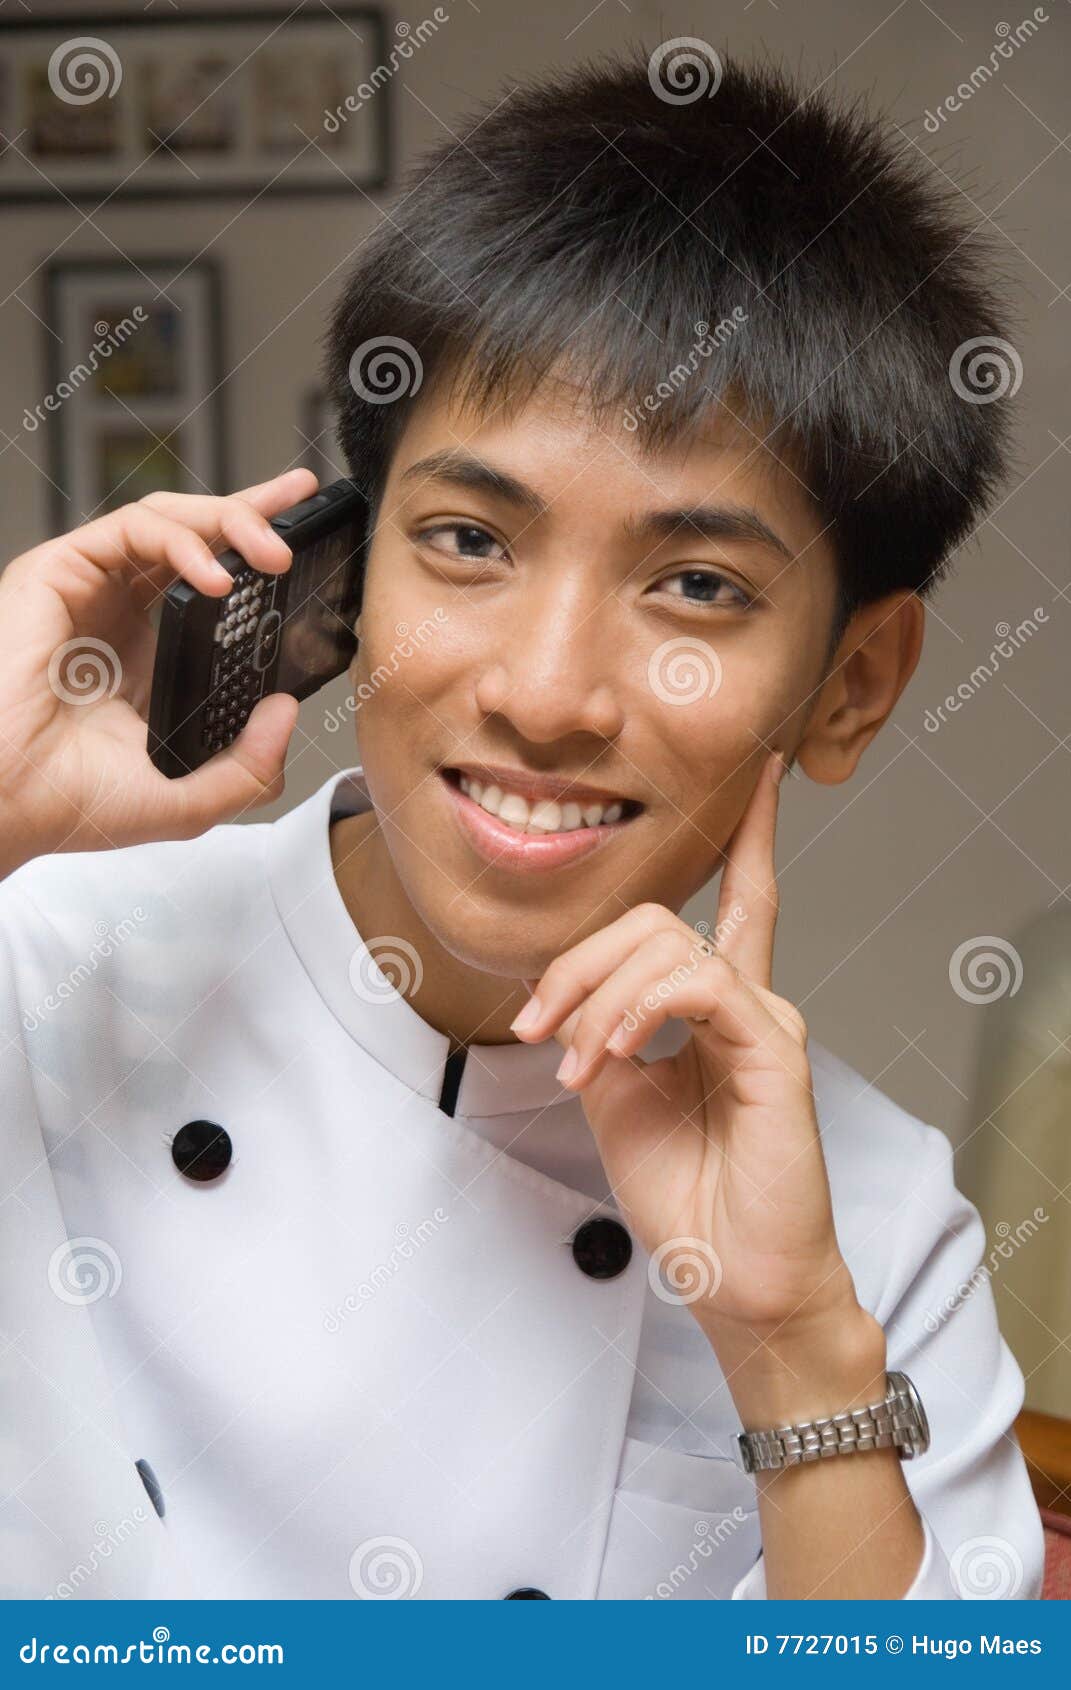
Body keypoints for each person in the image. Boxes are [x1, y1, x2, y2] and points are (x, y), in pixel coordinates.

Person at [0, 48, 1043, 1601]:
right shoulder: (36, 965)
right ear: (346, 575)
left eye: (695, 583)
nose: (548, 693)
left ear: (854, 682)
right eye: (470, 539)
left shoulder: (869, 1223)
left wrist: (788, 1349)